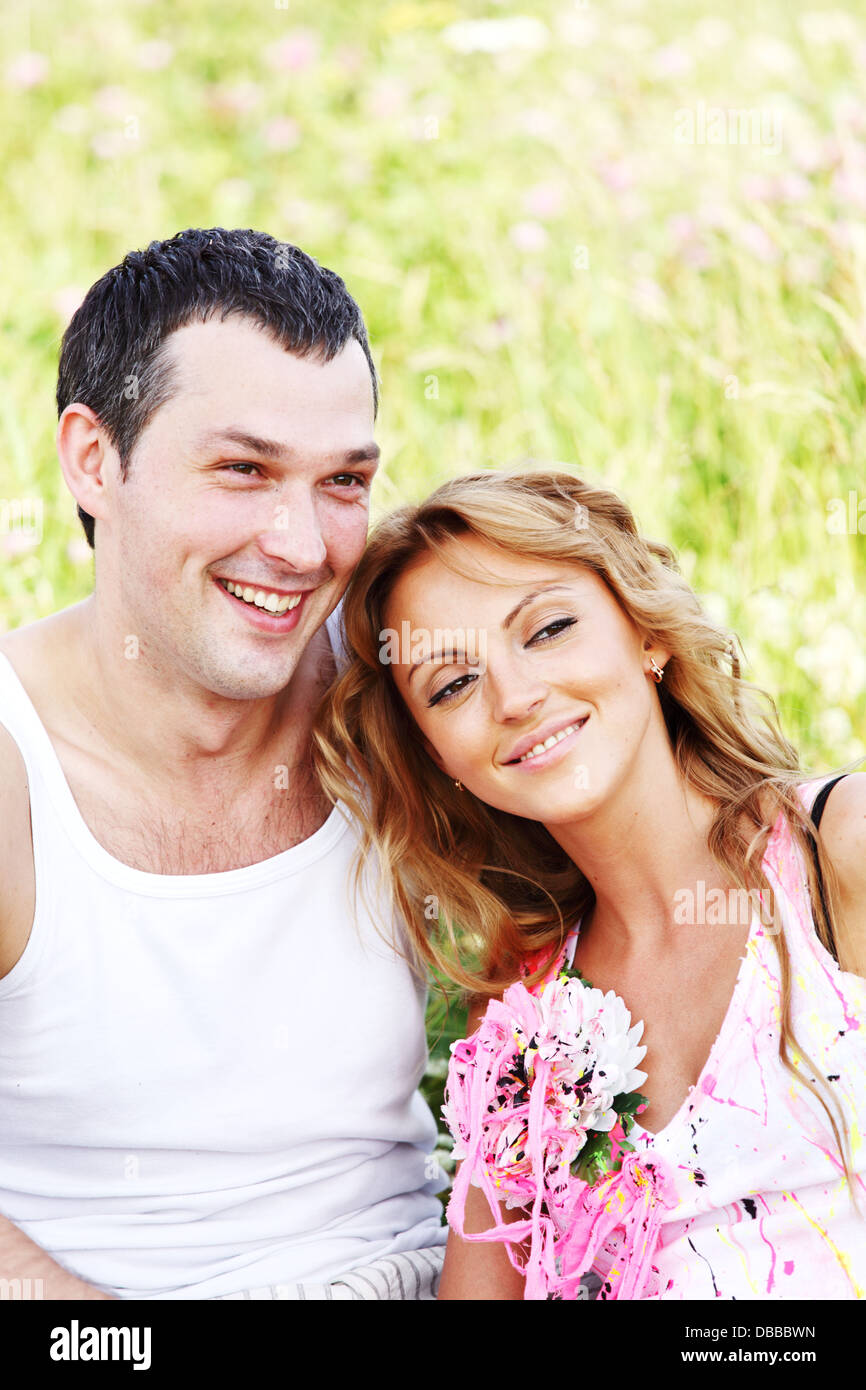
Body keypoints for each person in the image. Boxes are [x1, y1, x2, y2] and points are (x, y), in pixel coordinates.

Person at [0, 227, 447, 1301]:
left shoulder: (402, 692)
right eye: (242, 470)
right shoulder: (16, 772)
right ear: (93, 459)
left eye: (342, 480)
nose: (301, 546)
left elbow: (676, 815)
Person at [312, 467, 866, 1300]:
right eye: (453, 684)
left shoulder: (839, 855)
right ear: (438, 757)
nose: (515, 697)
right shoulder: (524, 1005)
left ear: (648, 633)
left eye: (548, 629)